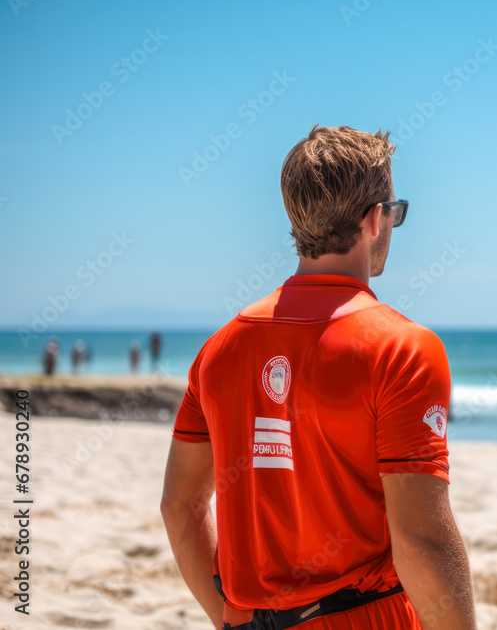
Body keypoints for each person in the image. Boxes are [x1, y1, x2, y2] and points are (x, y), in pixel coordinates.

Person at [160, 125, 476, 630]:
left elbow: (180, 506)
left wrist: (231, 620)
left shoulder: (220, 348)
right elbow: (423, 539)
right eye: (395, 212)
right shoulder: (403, 348)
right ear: (376, 218)